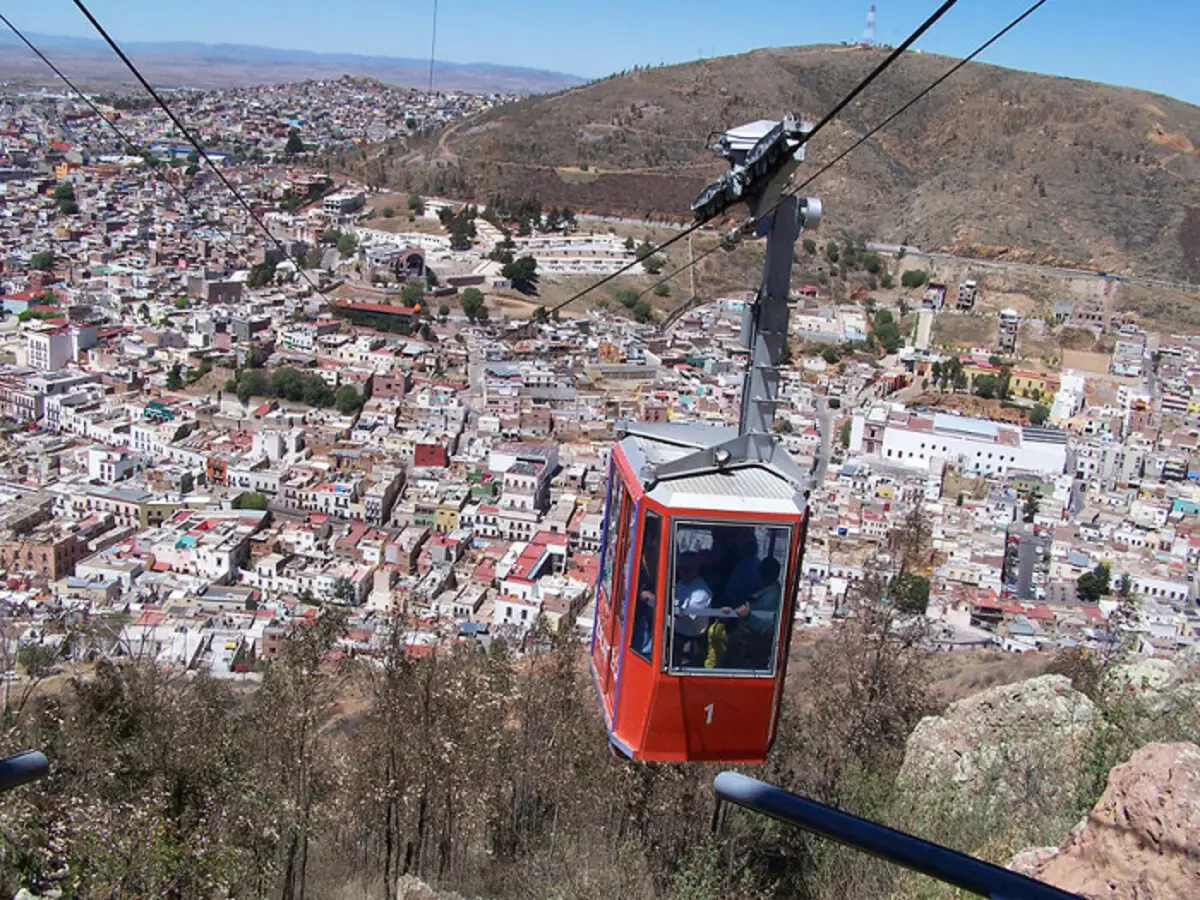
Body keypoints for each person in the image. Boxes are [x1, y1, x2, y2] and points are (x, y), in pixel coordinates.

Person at [731, 557, 783, 670]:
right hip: (744, 645)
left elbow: (767, 628)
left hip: (753, 651)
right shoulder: (758, 591)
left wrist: (747, 616)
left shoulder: (771, 597)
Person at [672, 551, 712, 668]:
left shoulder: (702, 591)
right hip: (676, 636)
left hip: (693, 641)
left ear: (696, 568)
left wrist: (663, 606)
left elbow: (683, 613)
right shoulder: (679, 584)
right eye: (682, 567)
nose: (684, 571)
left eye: (689, 568)